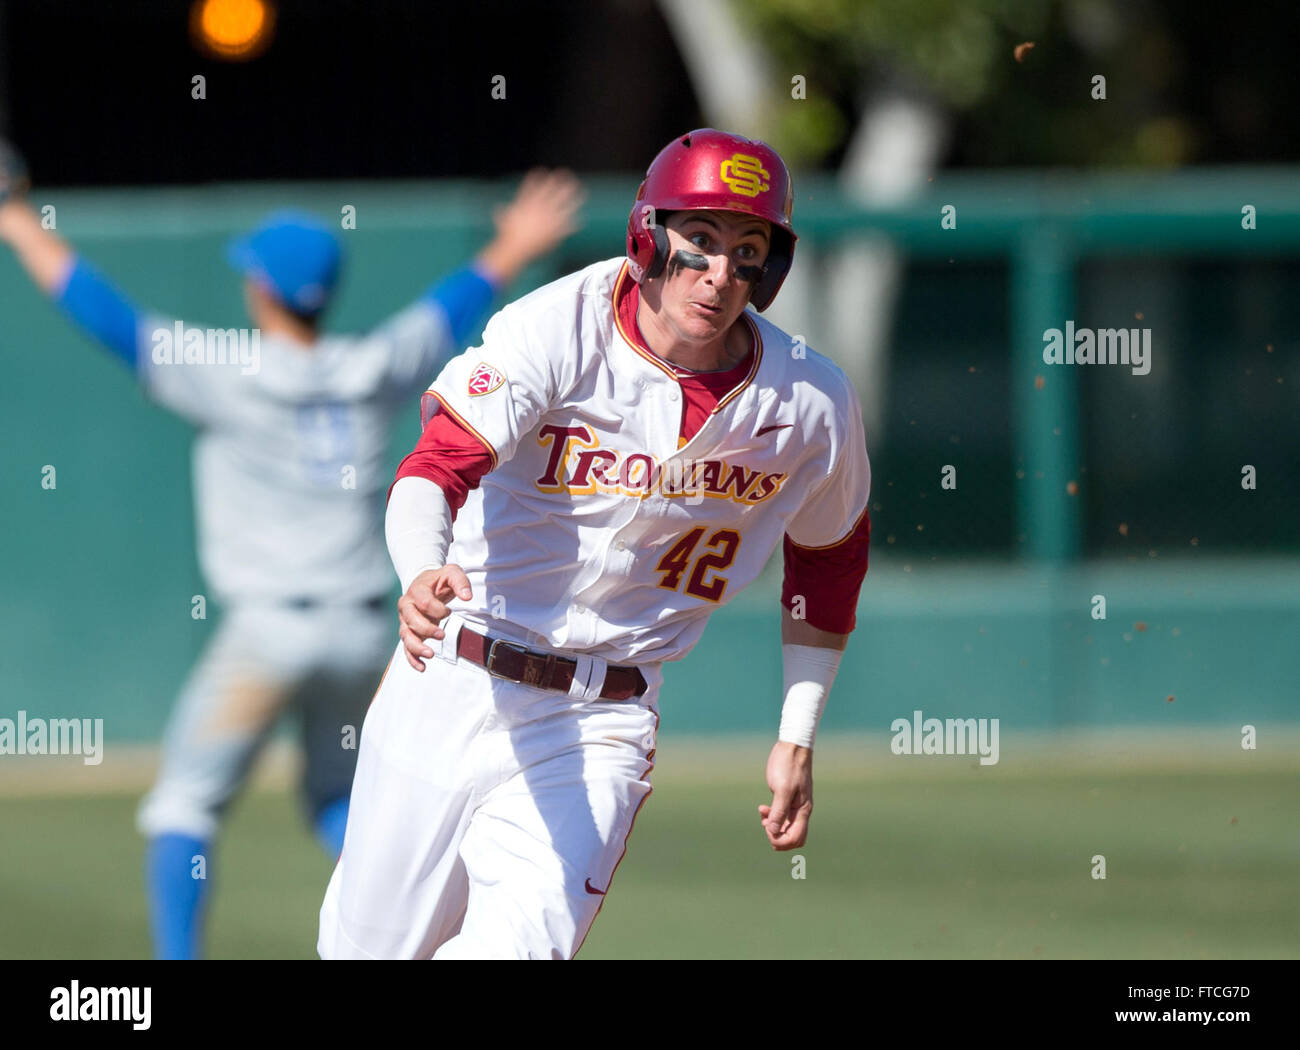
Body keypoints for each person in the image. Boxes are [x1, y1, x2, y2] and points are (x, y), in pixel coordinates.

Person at [0, 137, 584, 959]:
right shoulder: (372, 364)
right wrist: (515, 246)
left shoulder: (229, 369)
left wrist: (20, 223)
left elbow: (109, 317)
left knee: (182, 809)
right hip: (364, 634)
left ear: (261, 290)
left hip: (269, 632)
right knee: (338, 802)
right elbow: (446, 313)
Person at [317, 128, 872, 960]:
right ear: (649, 236)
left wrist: (797, 732)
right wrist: (422, 567)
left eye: (746, 250)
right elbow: (434, 467)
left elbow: (829, 561)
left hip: (600, 718)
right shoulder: (558, 327)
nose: (719, 274)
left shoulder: (809, 402)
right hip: (455, 679)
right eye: (700, 242)